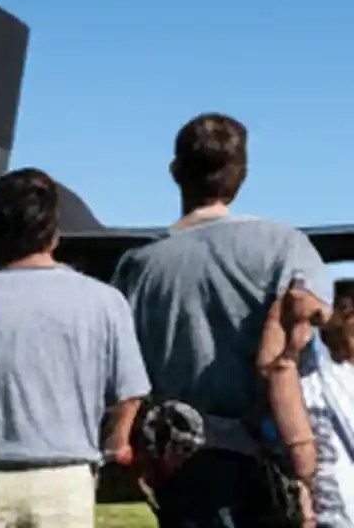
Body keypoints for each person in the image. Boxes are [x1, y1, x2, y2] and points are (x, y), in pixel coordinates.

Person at [111, 112, 352, 526]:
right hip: (265, 468)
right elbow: (301, 337)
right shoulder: (285, 248)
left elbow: (122, 375)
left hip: (179, 467)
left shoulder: (136, 268)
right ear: (241, 175)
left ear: (175, 172)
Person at [0, 167, 151, 528]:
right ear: (53, 233)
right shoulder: (105, 302)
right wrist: (114, 444)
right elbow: (131, 391)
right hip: (65, 483)